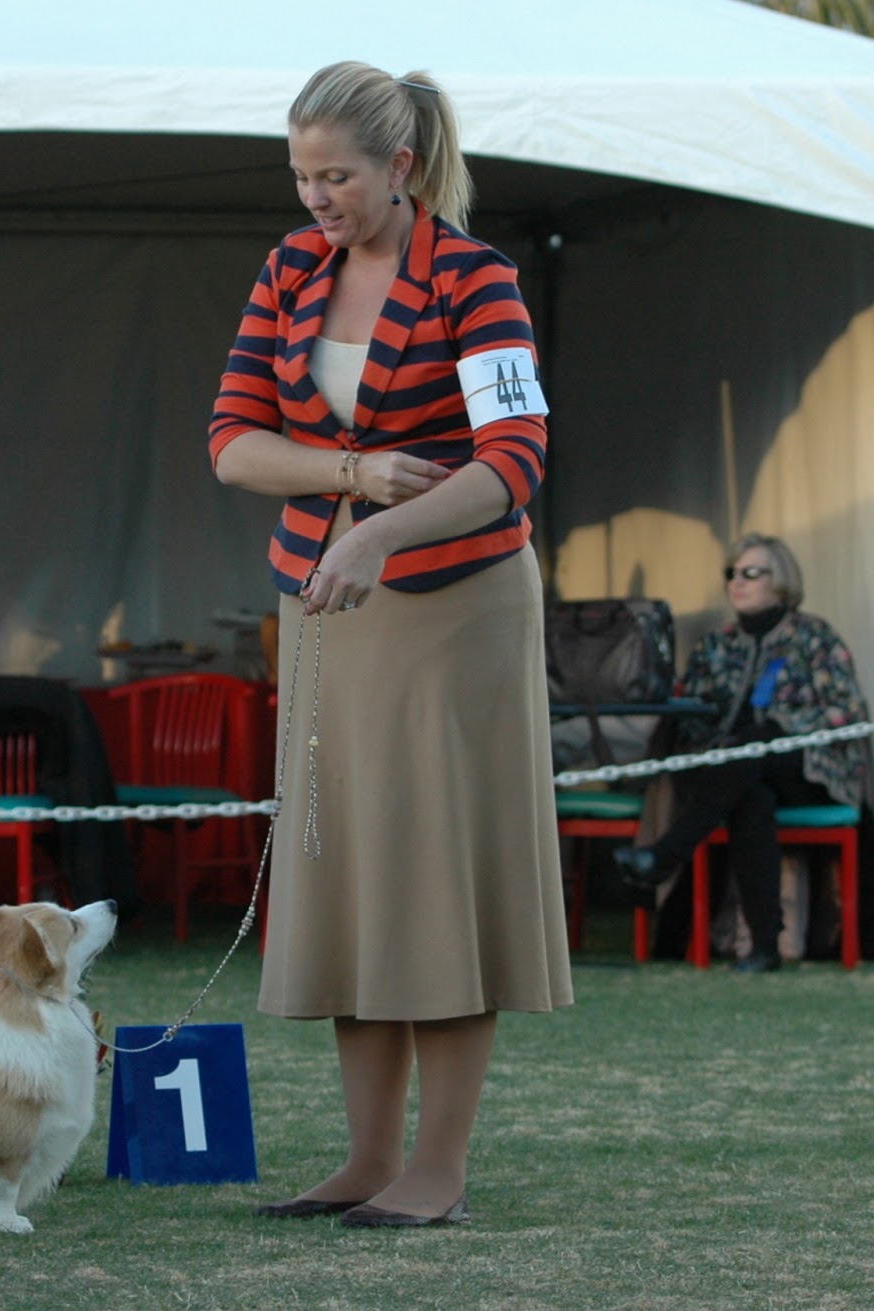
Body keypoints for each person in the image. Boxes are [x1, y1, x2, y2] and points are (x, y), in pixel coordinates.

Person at [208, 61, 571, 1227]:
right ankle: (366, 1160)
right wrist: (351, 480)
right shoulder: (286, 270)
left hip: (458, 608)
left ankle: (438, 1171)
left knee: (435, 880)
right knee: (350, 874)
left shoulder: (478, 279)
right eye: (302, 175)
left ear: (399, 166)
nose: (316, 197)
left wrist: (385, 533)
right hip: (323, 607)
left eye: (337, 176)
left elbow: (512, 459)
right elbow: (232, 443)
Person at [613, 533, 870, 972]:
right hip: (734, 774)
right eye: (732, 573)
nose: (738, 582)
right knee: (752, 796)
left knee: (751, 759)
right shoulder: (716, 645)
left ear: (780, 579)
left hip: (807, 770)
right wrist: (715, 732)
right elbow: (688, 712)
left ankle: (665, 855)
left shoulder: (814, 637)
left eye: (751, 573)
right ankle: (765, 947)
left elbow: (848, 711)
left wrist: (781, 726)